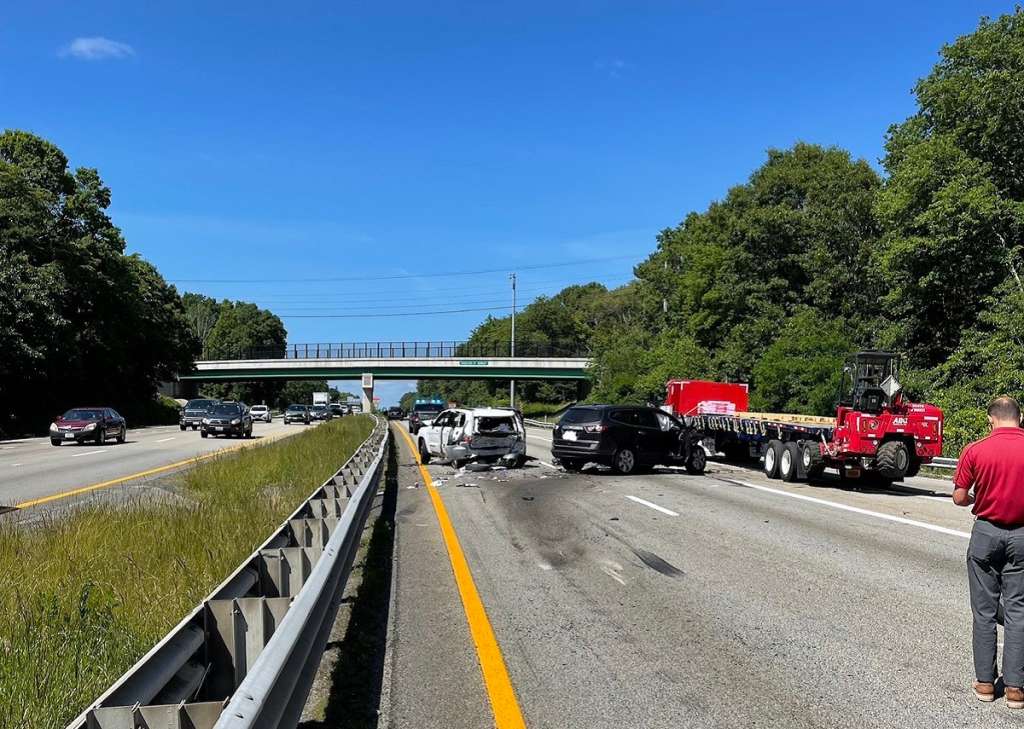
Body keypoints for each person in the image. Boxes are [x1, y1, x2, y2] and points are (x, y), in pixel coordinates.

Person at [953, 395, 1024, 708]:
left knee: (984, 612)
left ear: (991, 419)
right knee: (1018, 611)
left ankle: (984, 683)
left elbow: (958, 497)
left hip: (985, 534)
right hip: (1022, 535)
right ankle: (1015, 690)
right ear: (1019, 418)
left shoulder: (975, 449)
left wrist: (974, 500)